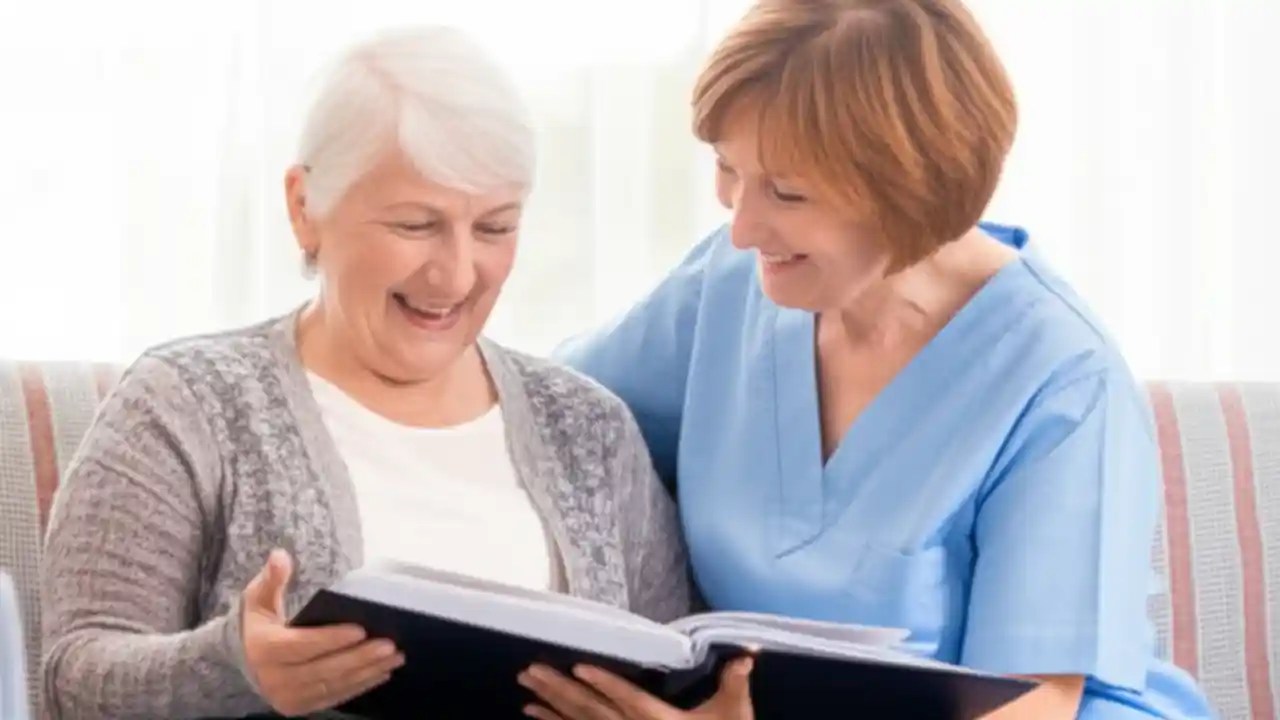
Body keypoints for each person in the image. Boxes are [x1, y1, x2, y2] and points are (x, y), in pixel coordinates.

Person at [527, 1, 1215, 719]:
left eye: (787, 192)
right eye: (729, 168)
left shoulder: (1062, 381)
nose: (741, 227)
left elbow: (1032, 702)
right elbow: (545, 410)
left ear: (908, 188)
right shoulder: (729, 290)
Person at [39, 26, 699, 720]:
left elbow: (677, 671)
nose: (457, 273)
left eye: (496, 227)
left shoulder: (590, 430)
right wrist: (235, 667)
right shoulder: (184, 405)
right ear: (305, 208)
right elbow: (73, 679)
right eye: (415, 225)